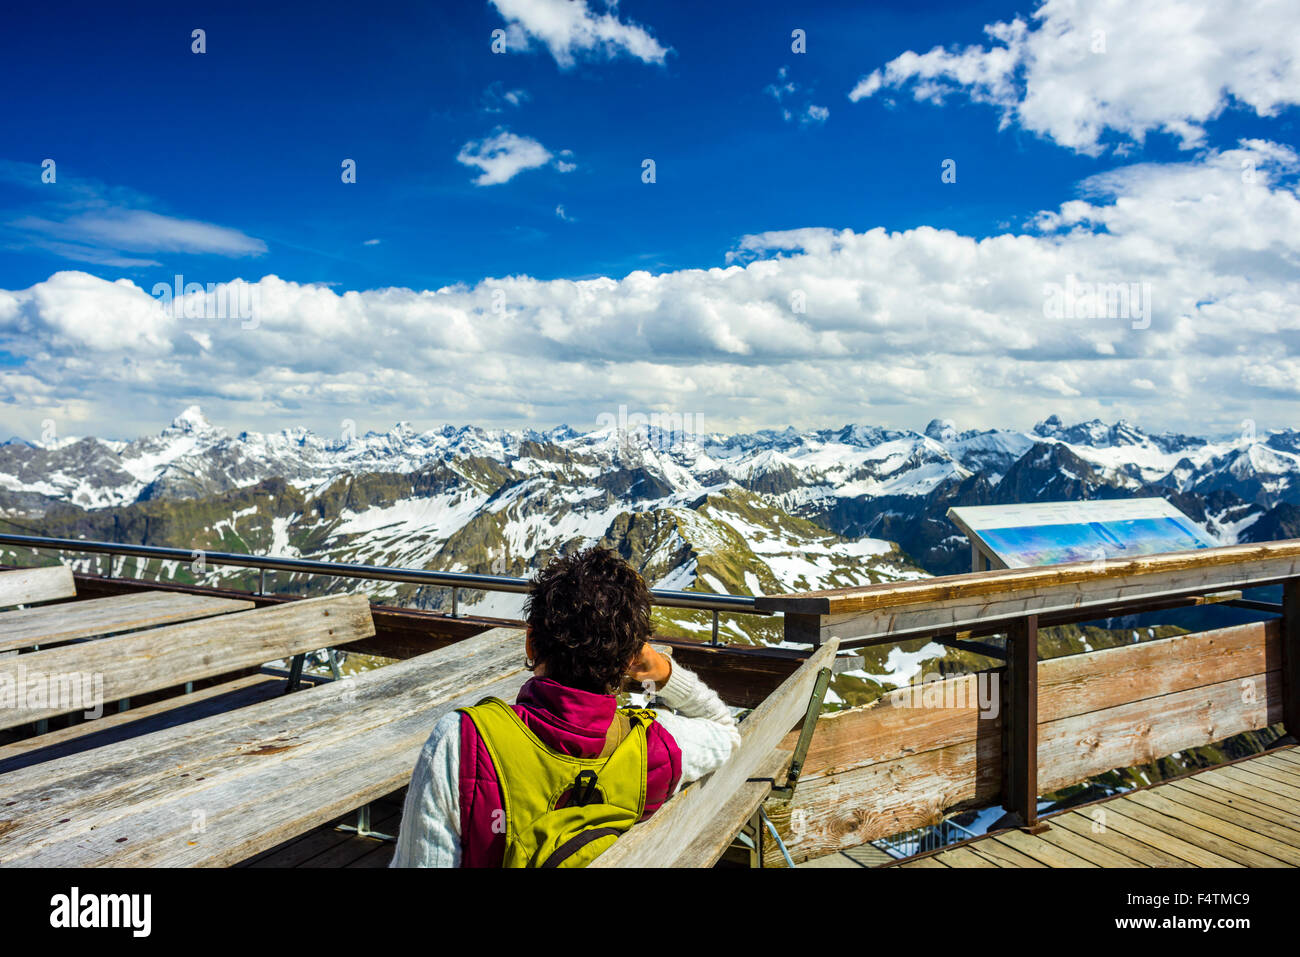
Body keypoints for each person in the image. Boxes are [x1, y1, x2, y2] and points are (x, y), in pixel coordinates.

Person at [390, 545, 741, 867]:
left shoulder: (461, 743)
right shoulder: (660, 746)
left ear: (531, 644)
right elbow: (726, 730)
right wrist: (664, 672)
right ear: (630, 660)